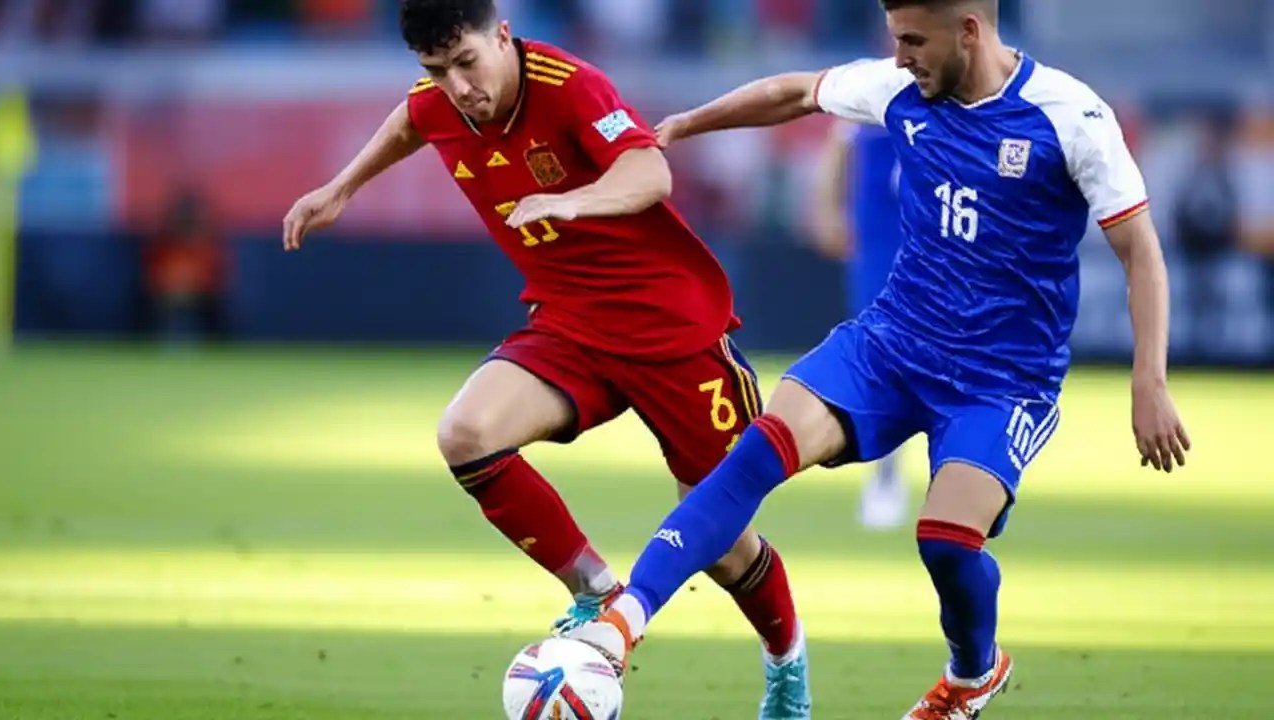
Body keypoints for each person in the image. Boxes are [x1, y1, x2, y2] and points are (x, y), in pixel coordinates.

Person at [566, 1, 1191, 718]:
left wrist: (1150, 382)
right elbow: (794, 91)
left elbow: (1140, 249)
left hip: (1002, 381)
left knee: (948, 545)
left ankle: (970, 673)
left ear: (970, 31)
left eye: (913, 41)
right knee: (752, 453)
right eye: (895, 40)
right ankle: (620, 624)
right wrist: (683, 124)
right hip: (893, 344)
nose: (899, 58)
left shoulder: (1071, 116)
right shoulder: (900, 87)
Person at [280, 1, 810, 716]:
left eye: (467, 62)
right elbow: (411, 119)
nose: (458, 86)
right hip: (571, 326)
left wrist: (577, 203)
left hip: (671, 330)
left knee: (720, 538)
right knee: (465, 433)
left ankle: (786, 663)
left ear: (502, 34)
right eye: (438, 71)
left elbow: (650, 172)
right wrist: (340, 187)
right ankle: (598, 593)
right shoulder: (437, 101)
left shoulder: (567, 84)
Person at [810, 117, 908, 529]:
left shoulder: (954, 83)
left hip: (936, 238)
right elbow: (841, 139)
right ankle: (886, 475)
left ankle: (964, 474)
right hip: (879, 242)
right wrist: (827, 208)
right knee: (882, 359)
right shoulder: (872, 94)